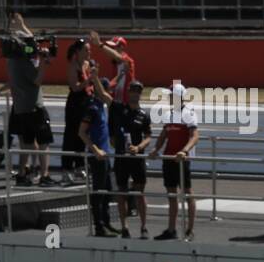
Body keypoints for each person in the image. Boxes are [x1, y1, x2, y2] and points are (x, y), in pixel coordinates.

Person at [0, 14, 55, 186]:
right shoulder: (24, 63)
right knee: (43, 142)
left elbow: (29, 44)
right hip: (34, 107)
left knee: (26, 143)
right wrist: (43, 63)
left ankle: (21, 174)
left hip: (21, 108)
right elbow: (37, 80)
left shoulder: (12, 62)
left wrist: (22, 26)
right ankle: (44, 175)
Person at [150, 82, 199, 242]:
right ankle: (171, 229)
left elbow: (195, 136)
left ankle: (190, 230)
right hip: (168, 159)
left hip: (181, 160)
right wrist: (156, 149)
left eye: (171, 95)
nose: (168, 98)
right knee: (171, 195)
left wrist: (184, 151)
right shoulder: (169, 114)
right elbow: (164, 135)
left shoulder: (189, 113)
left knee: (188, 194)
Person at [111, 81, 153, 239]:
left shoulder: (144, 114)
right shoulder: (120, 109)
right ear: (128, 93)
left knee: (139, 193)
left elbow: (149, 136)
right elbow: (104, 96)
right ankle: (124, 227)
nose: (135, 93)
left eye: (138, 91)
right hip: (121, 157)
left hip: (137, 158)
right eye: (133, 90)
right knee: (121, 193)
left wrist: (139, 147)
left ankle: (143, 227)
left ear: (141, 94)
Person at [79, 76, 117, 236]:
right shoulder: (93, 108)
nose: (109, 93)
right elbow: (81, 132)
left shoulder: (103, 106)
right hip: (98, 156)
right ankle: (99, 226)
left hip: (106, 154)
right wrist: (95, 150)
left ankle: (106, 222)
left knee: (107, 189)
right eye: (107, 89)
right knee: (99, 191)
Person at [61, 37, 94, 183]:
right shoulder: (73, 65)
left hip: (86, 102)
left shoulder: (88, 64)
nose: (89, 52)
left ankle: (80, 165)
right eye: (86, 50)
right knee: (71, 135)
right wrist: (89, 80)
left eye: (89, 49)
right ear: (78, 52)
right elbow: (75, 87)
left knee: (83, 134)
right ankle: (67, 167)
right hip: (75, 103)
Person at [90, 32, 136, 104]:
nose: (112, 49)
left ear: (122, 47)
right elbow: (116, 80)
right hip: (116, 100)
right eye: (111, 47)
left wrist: (100, 44)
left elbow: (118, 57)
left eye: (114, 47)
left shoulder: (127, 60)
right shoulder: (115, 63)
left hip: (126, 101)